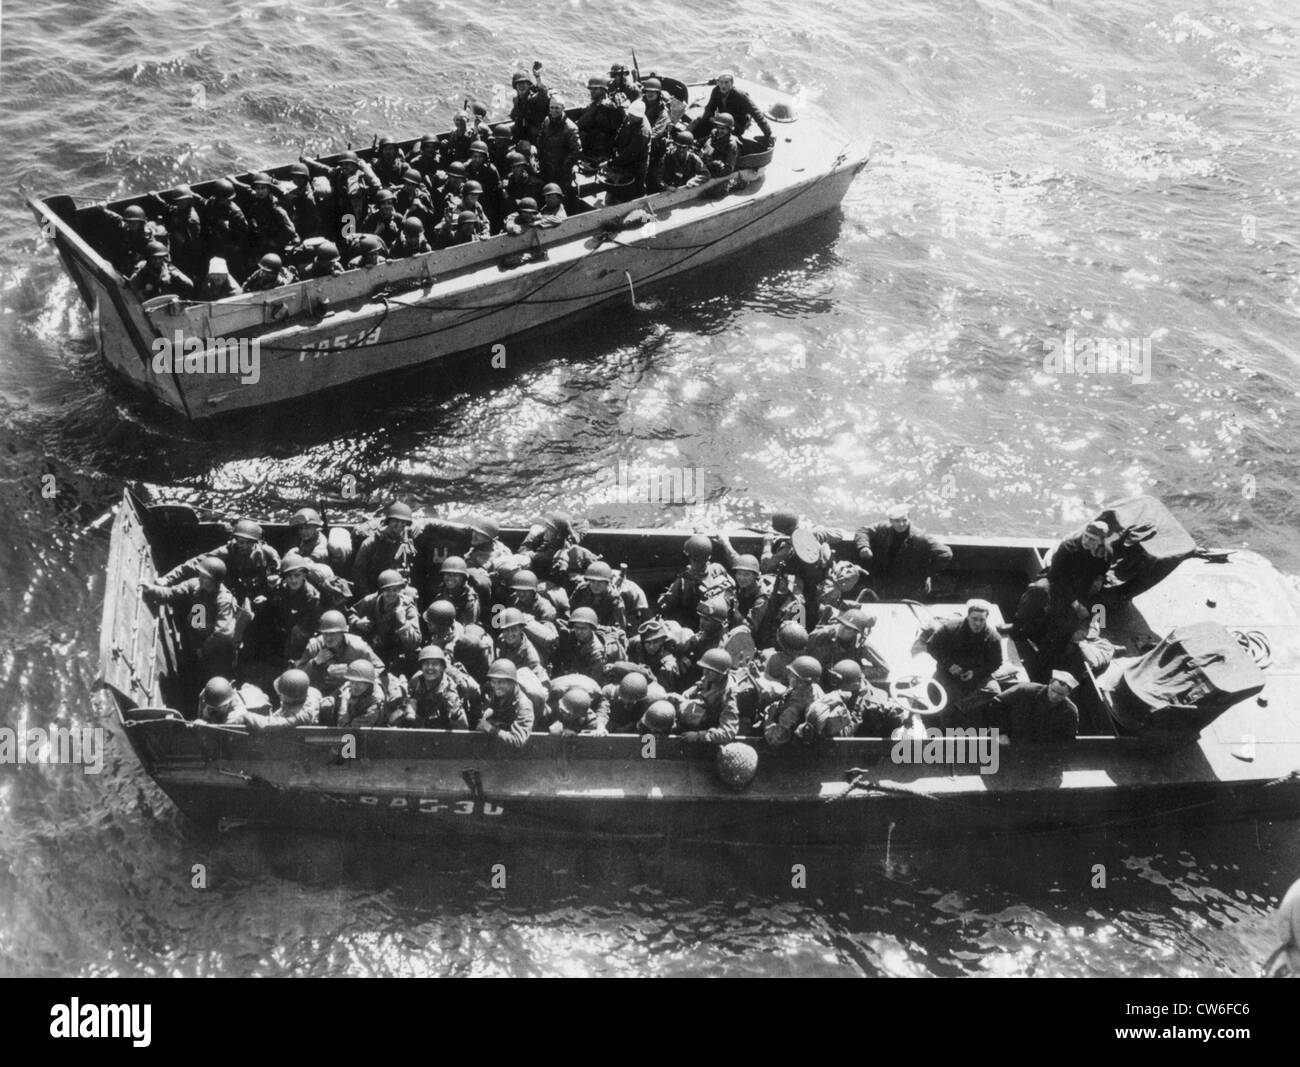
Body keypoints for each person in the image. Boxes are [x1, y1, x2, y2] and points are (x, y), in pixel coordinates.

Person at [141, 556, 240, 677]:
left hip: (215, 651)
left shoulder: (224, 600)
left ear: (215, 581)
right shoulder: (196, 585)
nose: (200, 579)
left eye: (205, 577)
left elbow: (223, 634)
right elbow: (172, 593)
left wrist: (203, 650)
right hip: (196, 638)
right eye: (200, 575)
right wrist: (151, 589)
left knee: (212, 676)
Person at [159, 518, 280, 604]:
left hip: (260, 592)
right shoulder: (226, 551)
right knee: (201, 599)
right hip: (233, 590)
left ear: (255, 543)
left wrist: (266, 594)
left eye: (247, 543)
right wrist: (168, 579)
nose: (242, 546)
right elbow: (195, 563)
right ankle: (197, 626)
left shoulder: (268, 553)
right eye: (239, 541)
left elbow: (279, 576)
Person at [854, 504, 953, 600]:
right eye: (897, 521)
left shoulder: (920, 537)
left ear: (909, 519)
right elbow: (863, 530)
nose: (901, 524)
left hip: (911, 585)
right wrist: (864, 547)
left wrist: (927, 572)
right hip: (887, 579)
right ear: (890, 521)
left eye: (904, 520)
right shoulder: (884, 527)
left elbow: (945, 553)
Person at [295, 610, 385, 715]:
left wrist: (354, 673)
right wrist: (315, 662)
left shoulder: (358, 647)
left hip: (351, 693)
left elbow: (379, 667)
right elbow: (298, 678)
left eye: (333, 633)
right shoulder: (314, 646)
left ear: (343, 632)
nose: (328, 638)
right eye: (325, 633)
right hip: (319, 693)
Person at [927, 599, 1003, 723]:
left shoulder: (993, 638)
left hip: (976, 676)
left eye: (982, 620)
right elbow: (931, 645)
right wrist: (949, 665)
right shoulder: (949, 628)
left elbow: (996, 662)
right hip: (948, 673)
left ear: (986, 619)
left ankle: (957, 708)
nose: (978, 623)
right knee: (949, 693)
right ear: (968, 617)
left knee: (994, 691)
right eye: (974, 618)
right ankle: (951, 713)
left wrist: (975, 673)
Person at [348, 569, 421, 668]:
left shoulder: (407, 606)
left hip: (397, 652)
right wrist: (357, 622)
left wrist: (403, 622)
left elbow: (416, 641)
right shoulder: (370, 601)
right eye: (387, 590)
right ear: (381, 591)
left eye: (395, 590)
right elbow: (351, 613)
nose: (391, 594)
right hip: (374, 647)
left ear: (400, 590)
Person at [657, 534, 734, 627]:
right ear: (709, 556)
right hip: (722, 621)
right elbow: (732, 586)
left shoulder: (683, 582)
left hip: (698, 626)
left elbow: (665, 606)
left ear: (689, 556)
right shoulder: (718, 568)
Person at [301, 150, 380, 236]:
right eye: (343, 164)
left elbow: (376, 185)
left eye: (348, 164)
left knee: (349, 237)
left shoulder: (360, 177)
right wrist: (309, 162)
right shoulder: (339, 173)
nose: (344, 167)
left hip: (353, 214)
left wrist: (362, 165)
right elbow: (324, 168)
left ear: (355, 165)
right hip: (338, 211)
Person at [394, 644, 473, 729]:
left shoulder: (449, 692)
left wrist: (455, 716)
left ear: (442, 667)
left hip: (442, 733)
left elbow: (461, 730)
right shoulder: (416, 681)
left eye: (434, 664)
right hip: (421, 726)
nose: (430, 668)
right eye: (426, 664)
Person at [987, 670, 1079, 741]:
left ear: (1068, 693)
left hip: (1037, 750)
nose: (1055, 696)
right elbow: (997, 702)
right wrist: (1001, 732)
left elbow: (1068, 739)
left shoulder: (1070, 711)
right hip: (1006, 740)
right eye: (1053, 690)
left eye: (1060, 694)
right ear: (1049, 684)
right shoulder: (1025, 690)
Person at [807, 607, 891, 683]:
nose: (842, 629)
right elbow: (800, 649)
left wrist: (853, 671)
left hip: (844, 683)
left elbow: (883, 669)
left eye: (848, 628)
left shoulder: (861, 645)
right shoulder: (823, 634)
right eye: (842, 624)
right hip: (815, 677)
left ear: (856, 632)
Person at [352, 501, 418, 597]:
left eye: (403, 522)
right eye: (395, 521)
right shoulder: (371, 543)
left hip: (399, 588)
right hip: (376, 590)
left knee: (412, 594)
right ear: (388, 521)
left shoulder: (407, 540)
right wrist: (368, 595)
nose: (399, 525)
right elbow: (358, 573)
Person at [677, 649, 740, 745]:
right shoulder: (712, 677)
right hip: (709, 713)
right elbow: (699, 685)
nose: (705, 673)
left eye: (710, 671)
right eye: (704, 668)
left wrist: (699, 736)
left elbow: (728, 732)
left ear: (723, 673)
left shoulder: (729, 694)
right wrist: (687, 695)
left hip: (716, 723)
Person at [267, 552, 322, 660]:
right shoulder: (280, 588)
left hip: (301, 633)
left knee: (297, 632)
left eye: (297, 575)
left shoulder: (312, 596)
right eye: (289, 576)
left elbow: (315, 622)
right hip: (284, 626)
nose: (293, 580)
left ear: (304, 575)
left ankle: (293, 661)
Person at [226, 669, 322, 730]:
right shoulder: (308, 691)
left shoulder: (304, 715)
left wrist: (246, 717)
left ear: (292, 698)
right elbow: (279, 683)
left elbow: (271, 723)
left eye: (281, 694)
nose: (279, 695)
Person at [762, 656, 824, 747]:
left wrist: (769, 716)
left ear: (801, 682)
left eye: (792, 675)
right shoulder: (815, 689)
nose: (788, 676)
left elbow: (774, 739)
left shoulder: (793, 709)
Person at [696, 73, 774, 143]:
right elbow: (709, 108)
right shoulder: (716, 91)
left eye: (726, 82)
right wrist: (709, 117)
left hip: (736, 125)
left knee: (721, 138)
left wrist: (768, 134)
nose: (723, 86)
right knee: (699, 121)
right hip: (722, 120)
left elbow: (757, 114)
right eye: (721, 82)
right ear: (718, 82)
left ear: (732, 83)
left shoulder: (741, 96)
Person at [146, 186, 205, 278]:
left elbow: (193, 243)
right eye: (178, 201)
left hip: (188, 252)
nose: (180, 203)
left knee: (186, 271)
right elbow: (170, 209)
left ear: (189, 201)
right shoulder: (181, 210)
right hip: (178, 246)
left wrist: (173, 235)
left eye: (183, 200)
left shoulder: (191, 220)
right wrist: (158, 198)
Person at [96, 202, 167, 275]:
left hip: (141, 263)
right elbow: (117, 218)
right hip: (127, 258)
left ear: (140, 223)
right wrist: (104, 209)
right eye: (129, 222)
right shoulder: (126, 227)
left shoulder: (147, 238)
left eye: (134, 223)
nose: (131, 225)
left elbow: (156, 254)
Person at [477, 659, 534, 748]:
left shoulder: (524, 706)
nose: (496, 686)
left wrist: (490, 728)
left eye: (501, 682)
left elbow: (517, 740)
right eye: (493, 681)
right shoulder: (496, 691)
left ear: (512, 682)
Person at [240, 171, 299, 257]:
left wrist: (275, 241)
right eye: (257, 188)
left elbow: (291, 232)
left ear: (269, 189)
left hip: (277, 245)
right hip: (264, 238)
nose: (260, 191)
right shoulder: (258, 200)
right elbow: (249, 190)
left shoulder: (277, 210)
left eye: (263, 188)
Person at [199, 179, 251, 268]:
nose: (227, 201)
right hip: (217, 241)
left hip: (232, 246)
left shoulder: (235, 212)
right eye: (223, 199)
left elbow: (245, 233)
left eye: (228, 199)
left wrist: (227, 229)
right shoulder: (212, 202)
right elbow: (205, 203)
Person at [606, 100, 651, 203]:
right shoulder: (631, 117)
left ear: (640, 116)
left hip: (637, 164)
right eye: (630, 114)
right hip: (625, 158)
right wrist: (614, 146)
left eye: (633, 116)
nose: (630, 117)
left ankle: (644, 217)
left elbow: (628, 155)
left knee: (637, 190)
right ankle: (617, 201)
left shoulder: (643, 132)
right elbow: (621, 132)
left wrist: (609, 163)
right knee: (621, 184)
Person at [537, 98, 581, 201]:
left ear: (563, 108)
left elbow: (576, 151)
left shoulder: (571, 128)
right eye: (551, 107)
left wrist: (563, 166)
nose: (554, 110)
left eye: (557, 108)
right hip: (546, 165)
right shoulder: (547, 121)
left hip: (561, 171)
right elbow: (540, 137)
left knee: (559, 195)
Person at [493, 607, 550, 684]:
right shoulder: (501, 640)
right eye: (506, 630)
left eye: (514, 629)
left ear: (521, 629)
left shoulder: (531, 658)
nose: (509, 634)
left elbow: (539, 688)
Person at [626, 618, 683, 691]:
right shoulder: (636, 644)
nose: (651, 646)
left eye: (655, 642)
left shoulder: (668, 664)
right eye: (648, 642)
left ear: (662, 641)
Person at [554, 606, 609, 679]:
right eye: (577, 627)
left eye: (583, 628)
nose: (579, 632)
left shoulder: (596, 652)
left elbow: (594, 680)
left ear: (591, 628)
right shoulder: (571, 636)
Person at [576, 78, 622, 165]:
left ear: (603, 90)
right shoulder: (595, 104)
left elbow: (613, 130)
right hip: (592, 141)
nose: (592, 92)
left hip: (602, 145)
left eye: (595, 89)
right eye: (591, 89)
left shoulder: (608, 107)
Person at [568, 561, 626, 628]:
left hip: (604, 633)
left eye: (600, 582)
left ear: (607, 583)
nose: (595, 585)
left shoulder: (614, 599)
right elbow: (570, 610)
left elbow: (620, 628)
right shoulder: (582, 590)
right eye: (592, 581)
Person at [129, 242, 194, 300]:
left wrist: (176, 275)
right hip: (146, 303)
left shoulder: (168, 267)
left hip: (164, 303)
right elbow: (132, 289)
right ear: (148, 257)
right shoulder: (142, 268)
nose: (157, 261)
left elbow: (189, 284)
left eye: (160, 258)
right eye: (154, 258)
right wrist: (145, 290)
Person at [543, 680, 609, 736]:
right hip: (557, 691)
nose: (564, 715)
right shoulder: (556, 691)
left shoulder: (596, 692)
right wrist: (560, 728)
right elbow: (547, 709)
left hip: (587, 688)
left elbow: (602, 707)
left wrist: (601, 726)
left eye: (568, 715)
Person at [510, 63, 551, 143]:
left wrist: (537, 77)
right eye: (519, 84)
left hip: (536, 138)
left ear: (529, 85)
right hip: (522, 134)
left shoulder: (534, 99)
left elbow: (543, 92)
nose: (521, 86)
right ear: (515, 86)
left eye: (524, 83)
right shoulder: (516, 100)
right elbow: (514, 116)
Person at [281, 162, 322, 241]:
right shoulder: (299, 190)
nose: (297, 180)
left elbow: (316, 217)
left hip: (311, 228)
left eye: (300, 178)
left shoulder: (309, 197)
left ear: (306, 178)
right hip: (303, 223)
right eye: (295, 177)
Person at [700, 113, 741, 180]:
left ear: (729, 129)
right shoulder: (713, 133)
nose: (719, 131)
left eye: (722, 128)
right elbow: (702, 142)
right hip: (704, 161)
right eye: (718, 127)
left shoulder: (731, 144)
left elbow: (729, 169)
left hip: (714, 170)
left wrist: (716, 164)